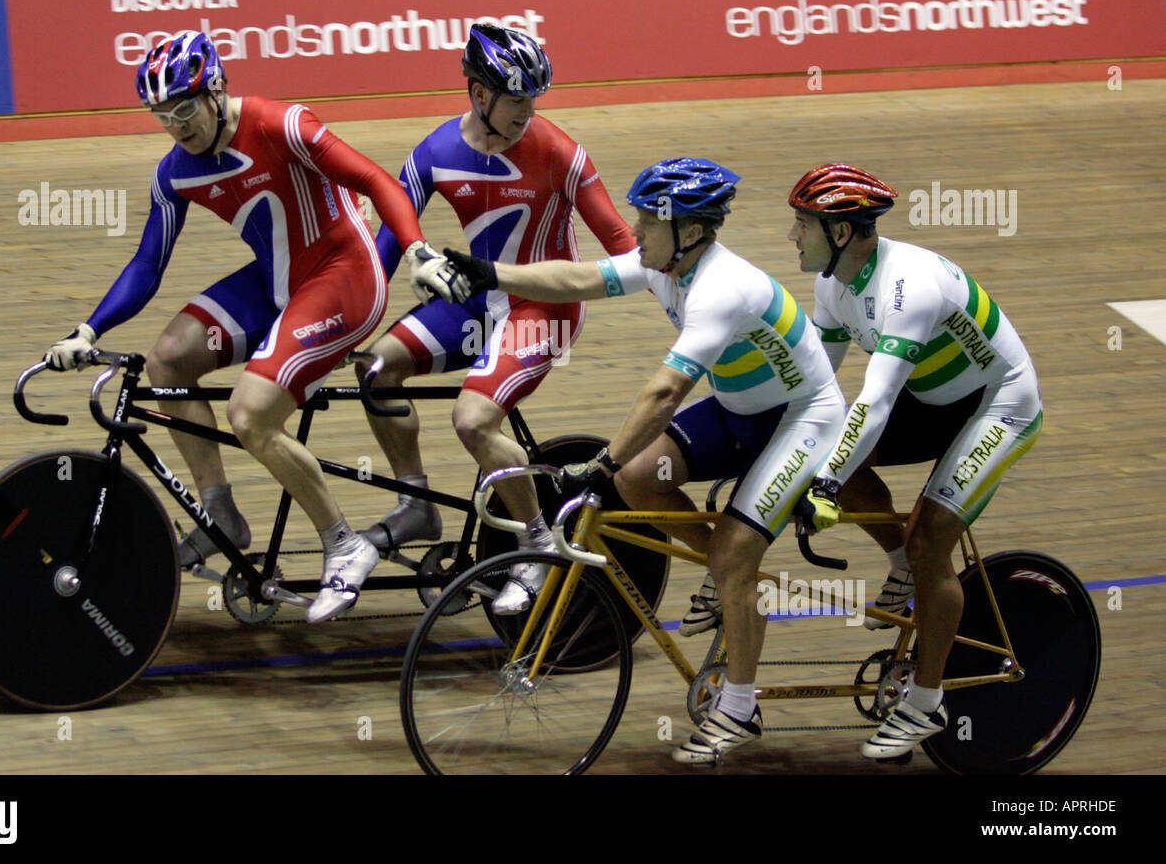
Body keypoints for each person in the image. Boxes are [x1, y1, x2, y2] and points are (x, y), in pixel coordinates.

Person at [43, 30, 464, 624]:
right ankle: (222, 518)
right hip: (278, 285)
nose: (176, 124)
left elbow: (377, 181)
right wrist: (89, 330)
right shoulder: (175, 172)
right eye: (161, 114)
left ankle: (342, 544)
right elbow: (146, 264)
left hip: (344, 277)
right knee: (166, 363)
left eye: (185, 107)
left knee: (249, 414)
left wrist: (418, 251)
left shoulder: (280, 124)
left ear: (217, 89)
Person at [444, 158, 848, 764]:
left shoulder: (719, 288)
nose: (634, 233)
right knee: (640, 479)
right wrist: (490, 273)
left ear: (688, 231)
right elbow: (579, 279)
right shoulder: (664, 262)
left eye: (645, 222)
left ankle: (738, 706)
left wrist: (600, 464)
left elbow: (662, 395)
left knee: (728, 551)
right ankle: (726, 569)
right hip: (742, 407)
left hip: (801, 417)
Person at [357, 23, 635, 614]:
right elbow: (381, 251)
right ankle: (415, 503)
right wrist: (337, 324)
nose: (528, 112)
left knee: (473, 419)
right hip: (479, 299)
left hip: (546, 307)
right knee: (375, 367)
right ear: (479, 94)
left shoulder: (559, 152)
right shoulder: (434, 153)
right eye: (516, 99)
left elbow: (618, 238)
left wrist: (683, 290)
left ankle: (537, 543)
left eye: (535, 99)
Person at [787, 163, 1043, 760]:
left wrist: (825, 482)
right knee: (822, 452)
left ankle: (927, 703)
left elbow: (873, 401)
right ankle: (900, 563)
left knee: (933, 545)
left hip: (997, 405)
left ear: (842, 232)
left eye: (802, 224)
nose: (792, 237)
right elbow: (814, 385)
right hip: (933, 396)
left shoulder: (908, 289)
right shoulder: (833, 283)